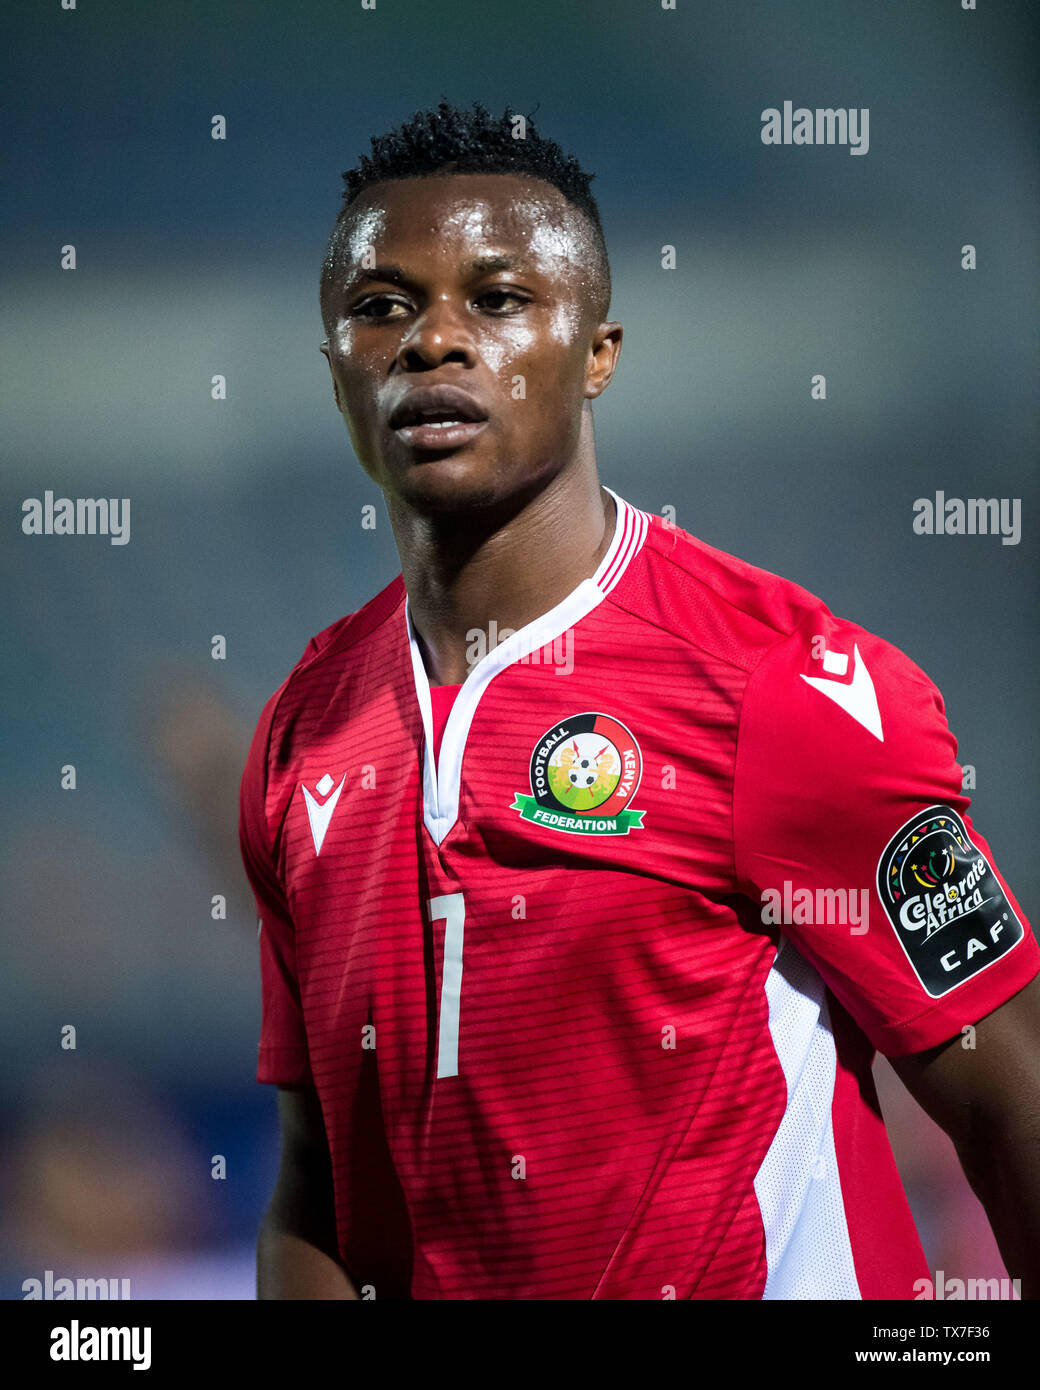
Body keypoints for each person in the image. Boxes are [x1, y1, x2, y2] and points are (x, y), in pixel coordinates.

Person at [240, 100, 1040, 1300]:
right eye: (380, 307)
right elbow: (316, 1192)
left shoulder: (787, 688)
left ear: (597, 350)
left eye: (498, 300)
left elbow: (1010, 1097)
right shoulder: (305, 732)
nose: (432, 343)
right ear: (335, 364)